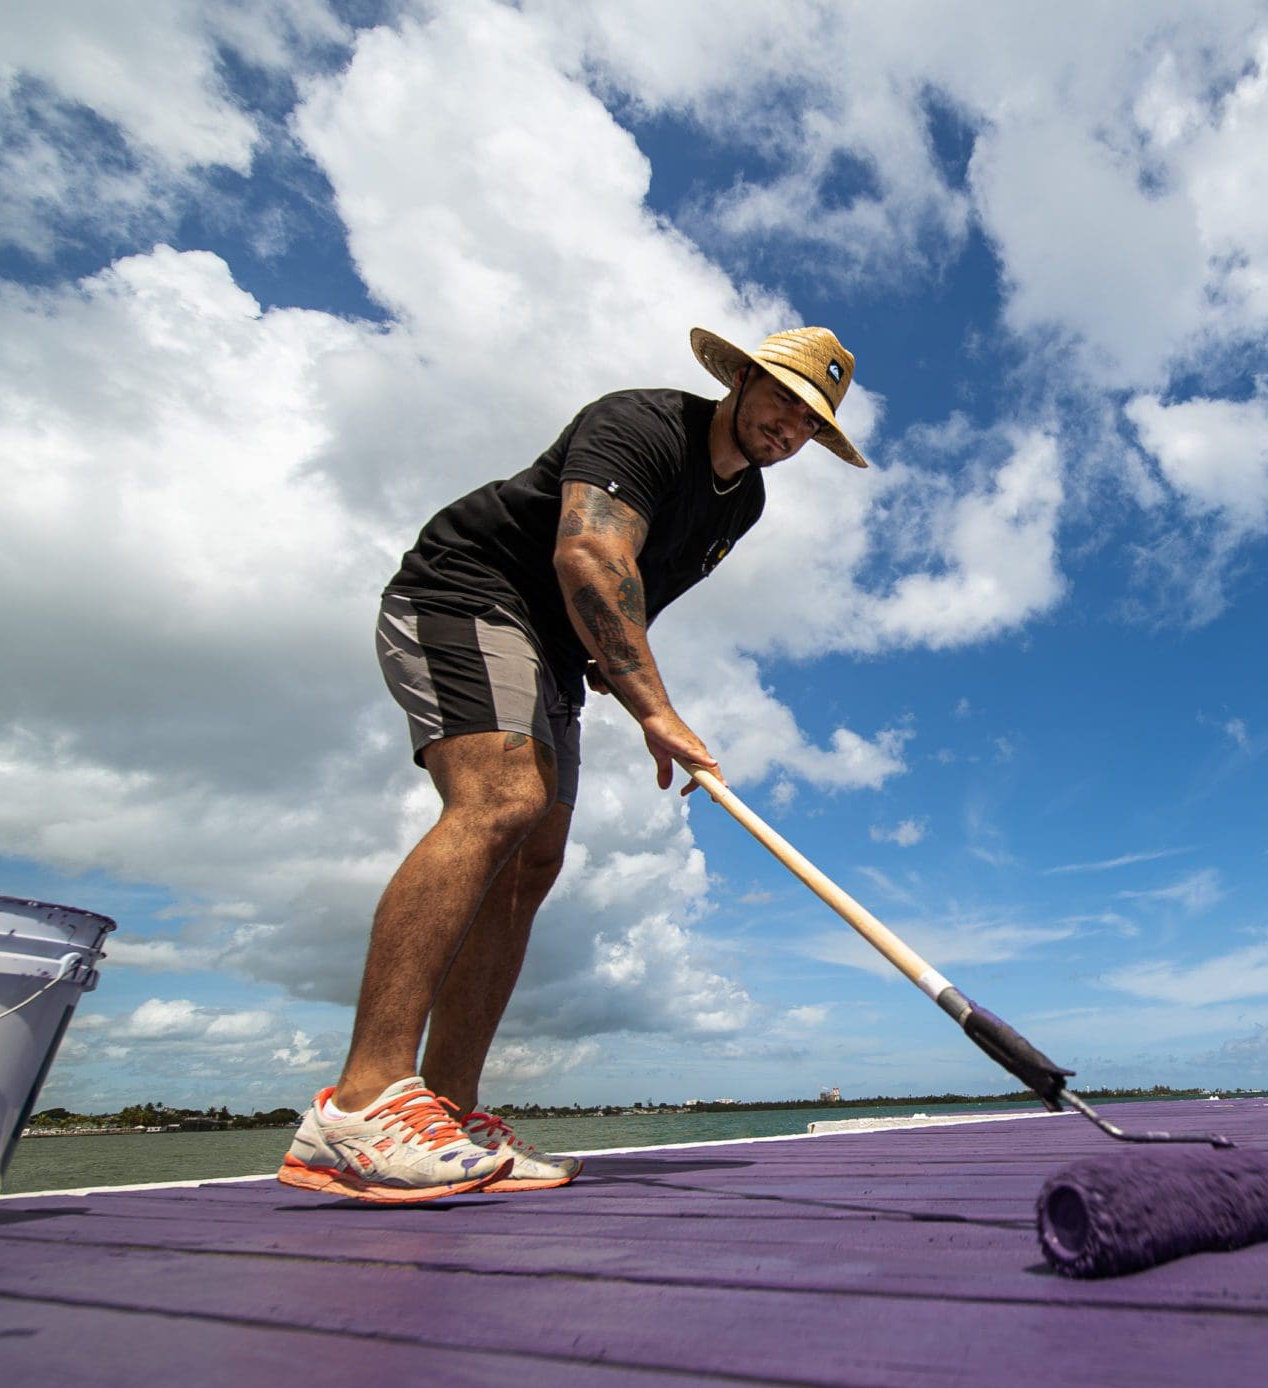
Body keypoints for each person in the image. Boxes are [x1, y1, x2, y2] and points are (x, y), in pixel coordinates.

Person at [278, 326, 868, 1202]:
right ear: (741, 377)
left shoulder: (742, 504)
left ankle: (446, 1109)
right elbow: (592, 554)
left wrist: (619, 675)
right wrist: (656, 710)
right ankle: (360, 1109)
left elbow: (638, 594)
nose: (790, 428)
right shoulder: (643, 424)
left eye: (812, 423)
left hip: (554, 650)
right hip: (469, 592)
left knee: (531, 866)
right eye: (783, 398)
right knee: (500, 799)